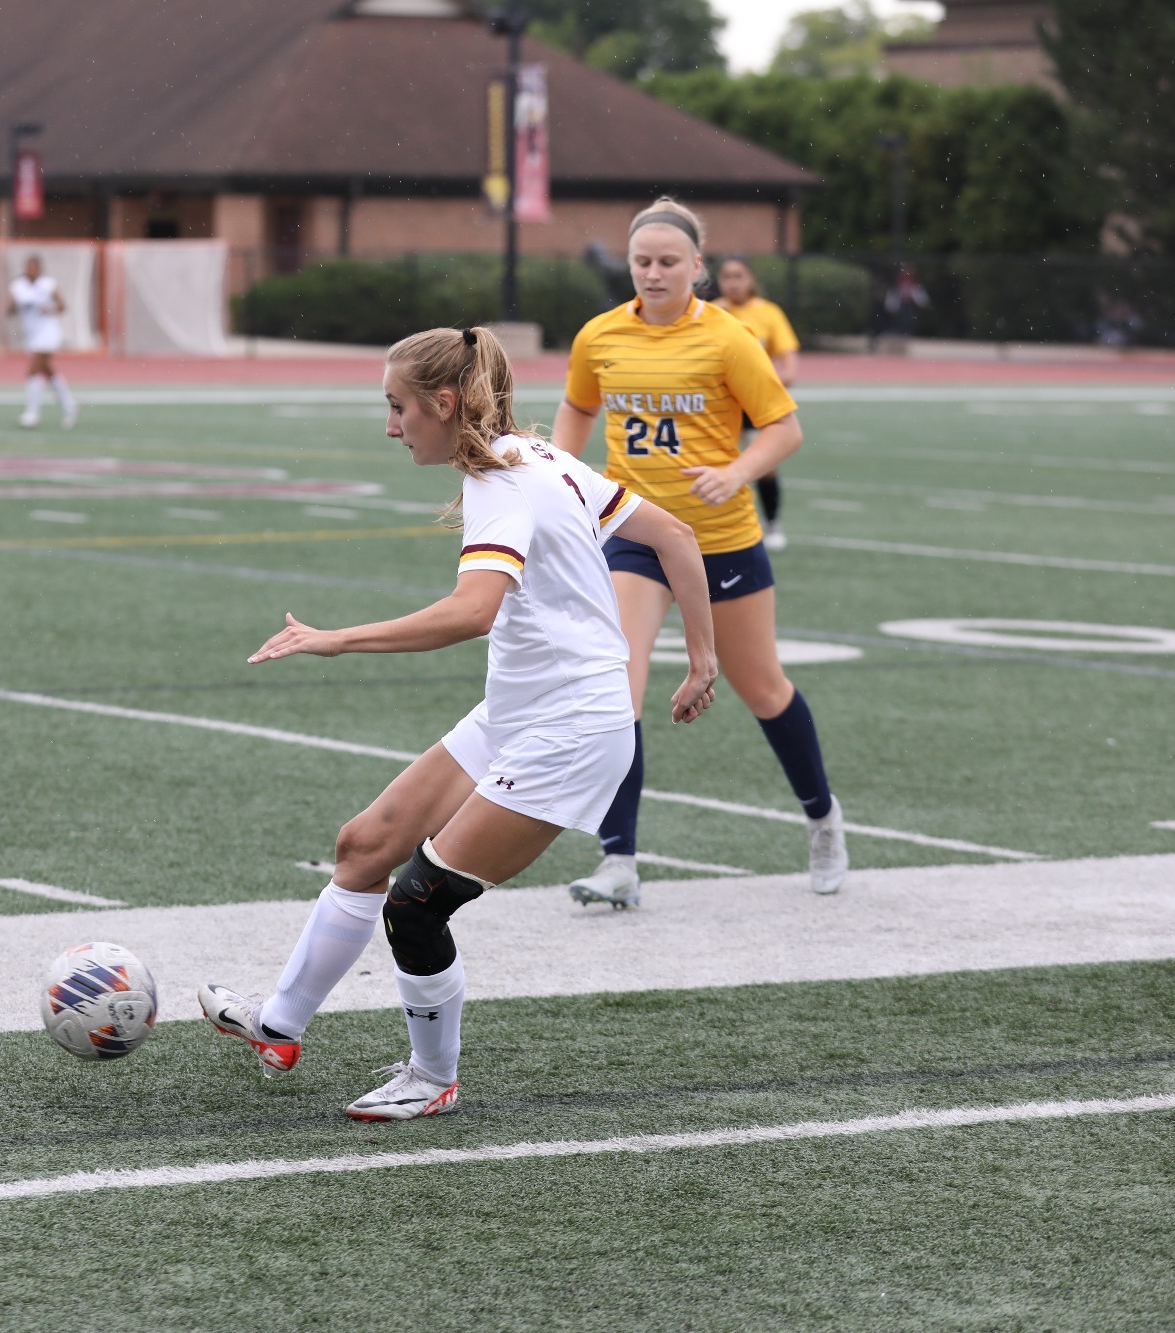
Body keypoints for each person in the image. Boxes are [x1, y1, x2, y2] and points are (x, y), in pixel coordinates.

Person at [199, 326, 717, 1121]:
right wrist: (701, 660)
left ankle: (432, 1076)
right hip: (520, 713)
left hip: (572, 729)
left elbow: (473, 612)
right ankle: (279, 1025)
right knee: (365, 843)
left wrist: (335, 638)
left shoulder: (504, 480)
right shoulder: (534, 458)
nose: (390, 425)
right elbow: (675, 536)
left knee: (417, 901)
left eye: (398, 406)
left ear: (444, 403)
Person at [555, 198, 848, 908]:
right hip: (637, 537)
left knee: (762, 687)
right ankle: (618, 859)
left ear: (697, 267)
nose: (653, 273)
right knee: (617, 686)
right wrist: (556, 481)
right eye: (641, 262)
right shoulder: (599, 335)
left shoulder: (728, 339)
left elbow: (784, 429)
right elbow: (578, 409)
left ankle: (822, 819)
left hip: (722, 542)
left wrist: (736, 472)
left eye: (667, 262)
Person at [714, 256, 799, 552]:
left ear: (750, 278)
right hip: (719, 407)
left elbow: (789, 367)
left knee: (765, 466)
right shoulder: (711, 312)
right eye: (727, 276)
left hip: (753, 406)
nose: (733, 282)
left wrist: (761, 384)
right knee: (713, 464)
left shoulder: (768, 313)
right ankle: (715, 527)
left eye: (739, 275)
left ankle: (772, 524)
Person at [9, 255, 76, 428]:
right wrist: (16, 305)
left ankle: (32, 413)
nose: (31, 270)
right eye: (28, 266)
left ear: (39, 268)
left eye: (34, 267)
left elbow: (62, 306)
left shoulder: (47, 284)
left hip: (48, 333)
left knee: (33, 370)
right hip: (31, 335)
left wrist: (50, 309)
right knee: (47, 371)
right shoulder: (18, 286)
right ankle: (69, 405)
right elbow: (9, 310)